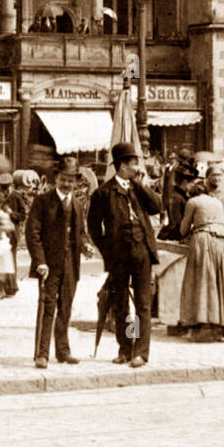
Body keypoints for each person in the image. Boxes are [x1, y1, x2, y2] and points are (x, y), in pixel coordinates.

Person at [87, 142, 162, 368]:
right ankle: (125, 348)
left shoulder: (137, 189)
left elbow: (156, 206)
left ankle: (140, 351)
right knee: (120, 304)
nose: (137, 167)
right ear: (121, 166)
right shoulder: (103, 193)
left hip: (142, 252)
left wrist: (139, 184)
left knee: (142, 304)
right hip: (118, 255)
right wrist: (107, 250)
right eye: (133, 164)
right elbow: (93, 227)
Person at [25, 157, 92, 368]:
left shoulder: (78, 204)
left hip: (71, 265)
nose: (67, 184)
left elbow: (80, 233)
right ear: (57, 178)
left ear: (76, 182)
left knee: (66, 308)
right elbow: (32, 233)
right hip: (49, 266)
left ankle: (63, 352)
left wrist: (85, 246)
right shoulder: (43, 201)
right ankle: (41, 353)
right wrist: (40, 262)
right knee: (47, 308)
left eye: (71, 181)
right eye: (64, 179)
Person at [179, 171, 224, 341]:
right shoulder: (217, 201)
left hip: (205, 240)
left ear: (193, 191)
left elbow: (183, 229)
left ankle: (205, 324)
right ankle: (219, 324)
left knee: (205, 282)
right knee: (220, 282)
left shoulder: (192, 202)